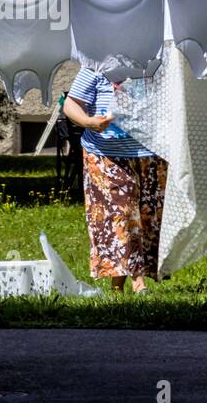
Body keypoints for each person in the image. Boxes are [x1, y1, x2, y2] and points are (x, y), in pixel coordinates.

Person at [62, 66, 168, 293]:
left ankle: (116, 287)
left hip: (149, 152)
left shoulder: (155, 60)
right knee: (122, 214)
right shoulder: (96, 65)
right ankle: (138, 283)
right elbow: (71, 104)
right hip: (105, 154)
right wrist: (89, 122)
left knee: (147, 218)